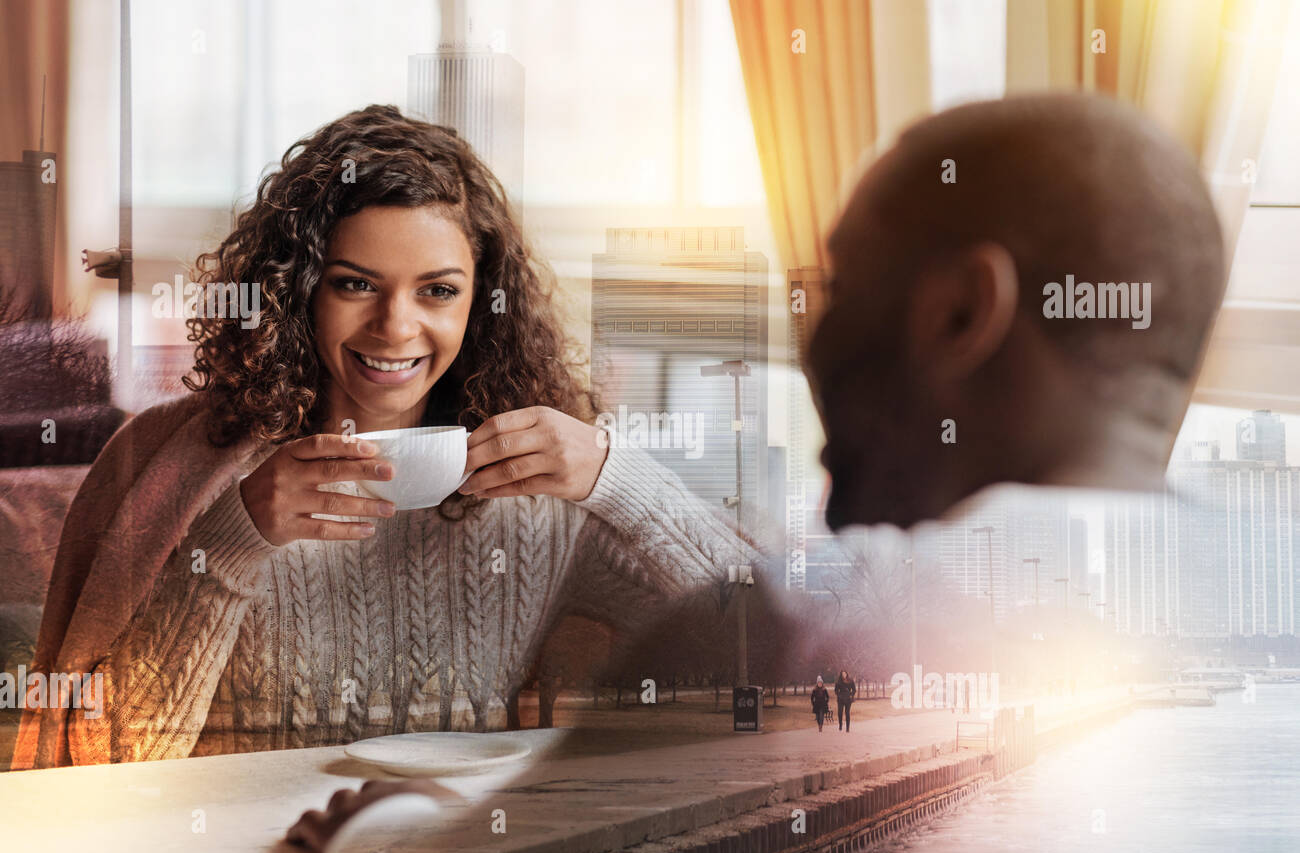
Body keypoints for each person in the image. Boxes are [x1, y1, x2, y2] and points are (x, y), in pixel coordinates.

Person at [12, 104, 761, 771]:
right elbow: (105, 759)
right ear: (299, 286)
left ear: (480, 302)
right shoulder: (181, 467)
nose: (396, 327)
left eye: (438, 290)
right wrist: (236, 534)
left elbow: (763, 646)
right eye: (355, 283)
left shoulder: (534, 493)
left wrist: (613, 472)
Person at [807, 93, 1226, 531]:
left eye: (840, 289)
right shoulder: (1271, 574)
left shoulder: (812, 596)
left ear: (962, 314)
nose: (815, 340)